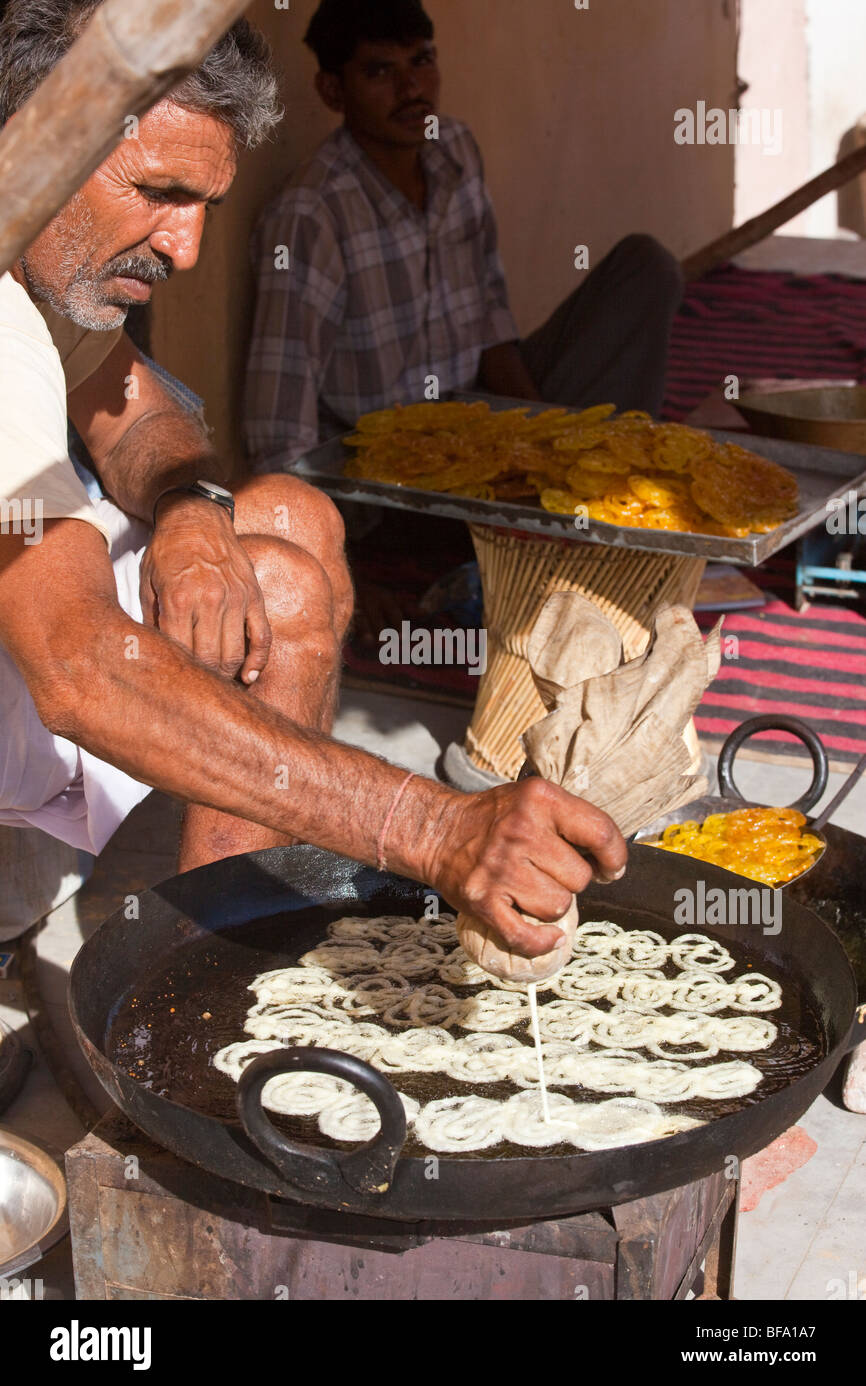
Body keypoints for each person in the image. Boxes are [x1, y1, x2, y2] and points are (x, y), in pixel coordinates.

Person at [0, 0, 626, 961]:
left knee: (286, 512)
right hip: (48, 678)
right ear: (34, 140)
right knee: (284, 585)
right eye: (159, 190)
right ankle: (185, 994)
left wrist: (190, 508)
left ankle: (210, 927)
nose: (185, 246)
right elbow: (77, 668)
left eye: (202, 203)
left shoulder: (45, 262)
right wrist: (432, 828)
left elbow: (136, 409)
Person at [243, 0, 684, 470]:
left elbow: (489, 318)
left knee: (647, 268)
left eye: (422, 61)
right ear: (334, 91)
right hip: (389, 468)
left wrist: (544, 431)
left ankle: (611, 482)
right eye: (379, 72)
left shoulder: (454, 151)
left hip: (480, 424)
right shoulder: (311, 215)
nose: (411, 88)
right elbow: (279, 426)